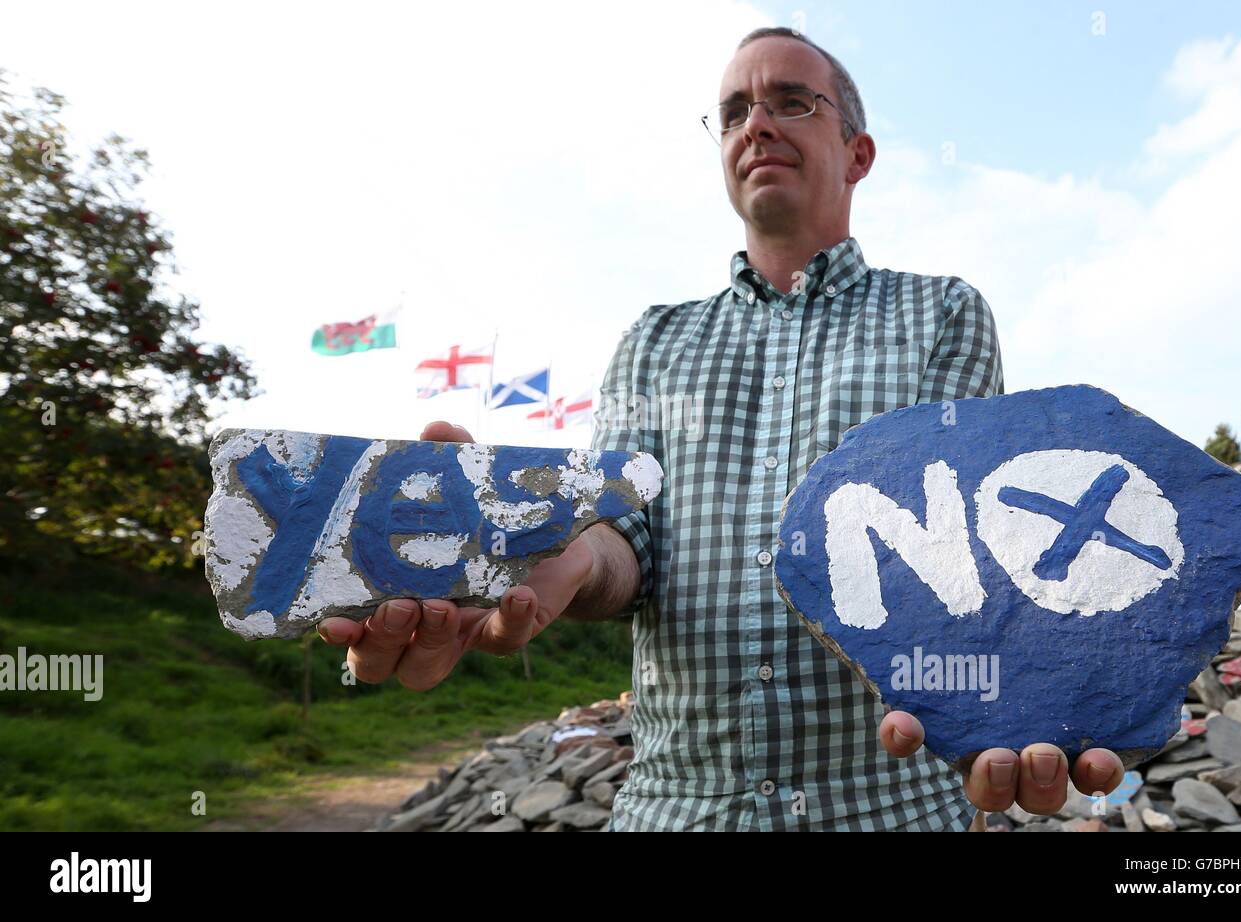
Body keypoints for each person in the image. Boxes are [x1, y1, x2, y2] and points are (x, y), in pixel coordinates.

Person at [318, 26, 1124, 831]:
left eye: (791, 102)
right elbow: (621, 541)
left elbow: (960, 555)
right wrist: (554, 555)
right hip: (676, 811)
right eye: (734, 111)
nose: (756, 124)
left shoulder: (942, 314)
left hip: (889, 806)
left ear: (858, 153)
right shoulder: (653, 341)